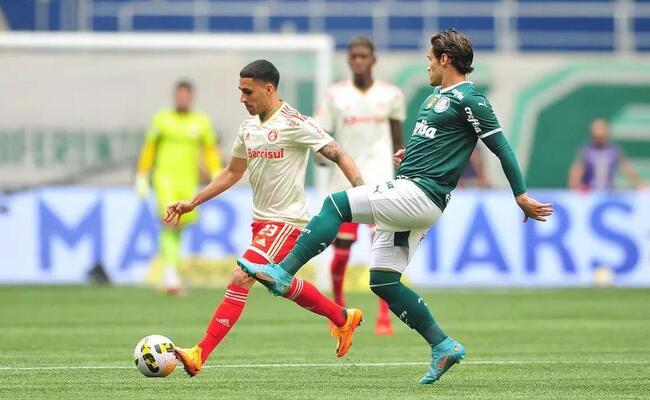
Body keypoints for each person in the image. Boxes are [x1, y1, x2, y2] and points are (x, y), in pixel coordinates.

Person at [237, 29, 554, 384]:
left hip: (420, 195)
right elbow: (441, 145)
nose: (428, 66)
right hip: (413, 188)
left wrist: (520, 194)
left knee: (335, 203)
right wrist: (409, 156)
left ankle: (283, 271)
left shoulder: (470, 98)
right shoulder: (436, 97)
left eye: (430, 60)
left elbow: (501, 146)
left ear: (445, 59)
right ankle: (443, 345)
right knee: (383, 281)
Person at [164, 60, 365, 377]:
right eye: (240, 91)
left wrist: (362, 194)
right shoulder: (247, 129)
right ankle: (342, 317)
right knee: (279, 284)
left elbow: (338, 152)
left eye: (248, 91)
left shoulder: (295, 123)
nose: (242, 98)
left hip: (288, 222)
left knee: (241, 276)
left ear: (268, 89)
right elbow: (232, 173)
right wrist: (193, 201)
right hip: (261, 223)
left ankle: (199, 353)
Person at [315, 37, 405, 336]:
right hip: (346, 183)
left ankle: (384, 314)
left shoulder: (391, 94)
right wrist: (320, 157)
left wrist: (403, 172)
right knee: (341, 251)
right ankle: (338, 309)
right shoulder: (334, 95)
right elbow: (319, 135)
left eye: (364, 56)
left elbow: (397, 139)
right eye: (353, 56)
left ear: (373, 60)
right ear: (348, 61)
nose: (358, 61)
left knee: (382, 251)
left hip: (382, 183)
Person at [135, 80, 223, 295]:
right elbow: (149, 148)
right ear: (175, 97)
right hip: (164, 178)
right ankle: (171, 276)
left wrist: (216, 172)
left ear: (191, 98)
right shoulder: (162, 119)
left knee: (179, 225)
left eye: (186, 96)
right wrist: (142, 174)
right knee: (170, 223)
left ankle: (170, 272)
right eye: (180, 96)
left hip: (188, 180)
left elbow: (209, 150)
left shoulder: (201, 121)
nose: (183, 99)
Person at [568, 118, 646, 191]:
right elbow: (576, 174)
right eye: (596, 137)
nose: (599, 138)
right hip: (590, 194)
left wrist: (640, 185)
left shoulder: (614, 151)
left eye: (601, 137)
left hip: (608, 193)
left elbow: (627, 170)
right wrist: (575, 190)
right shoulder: (586, 151)